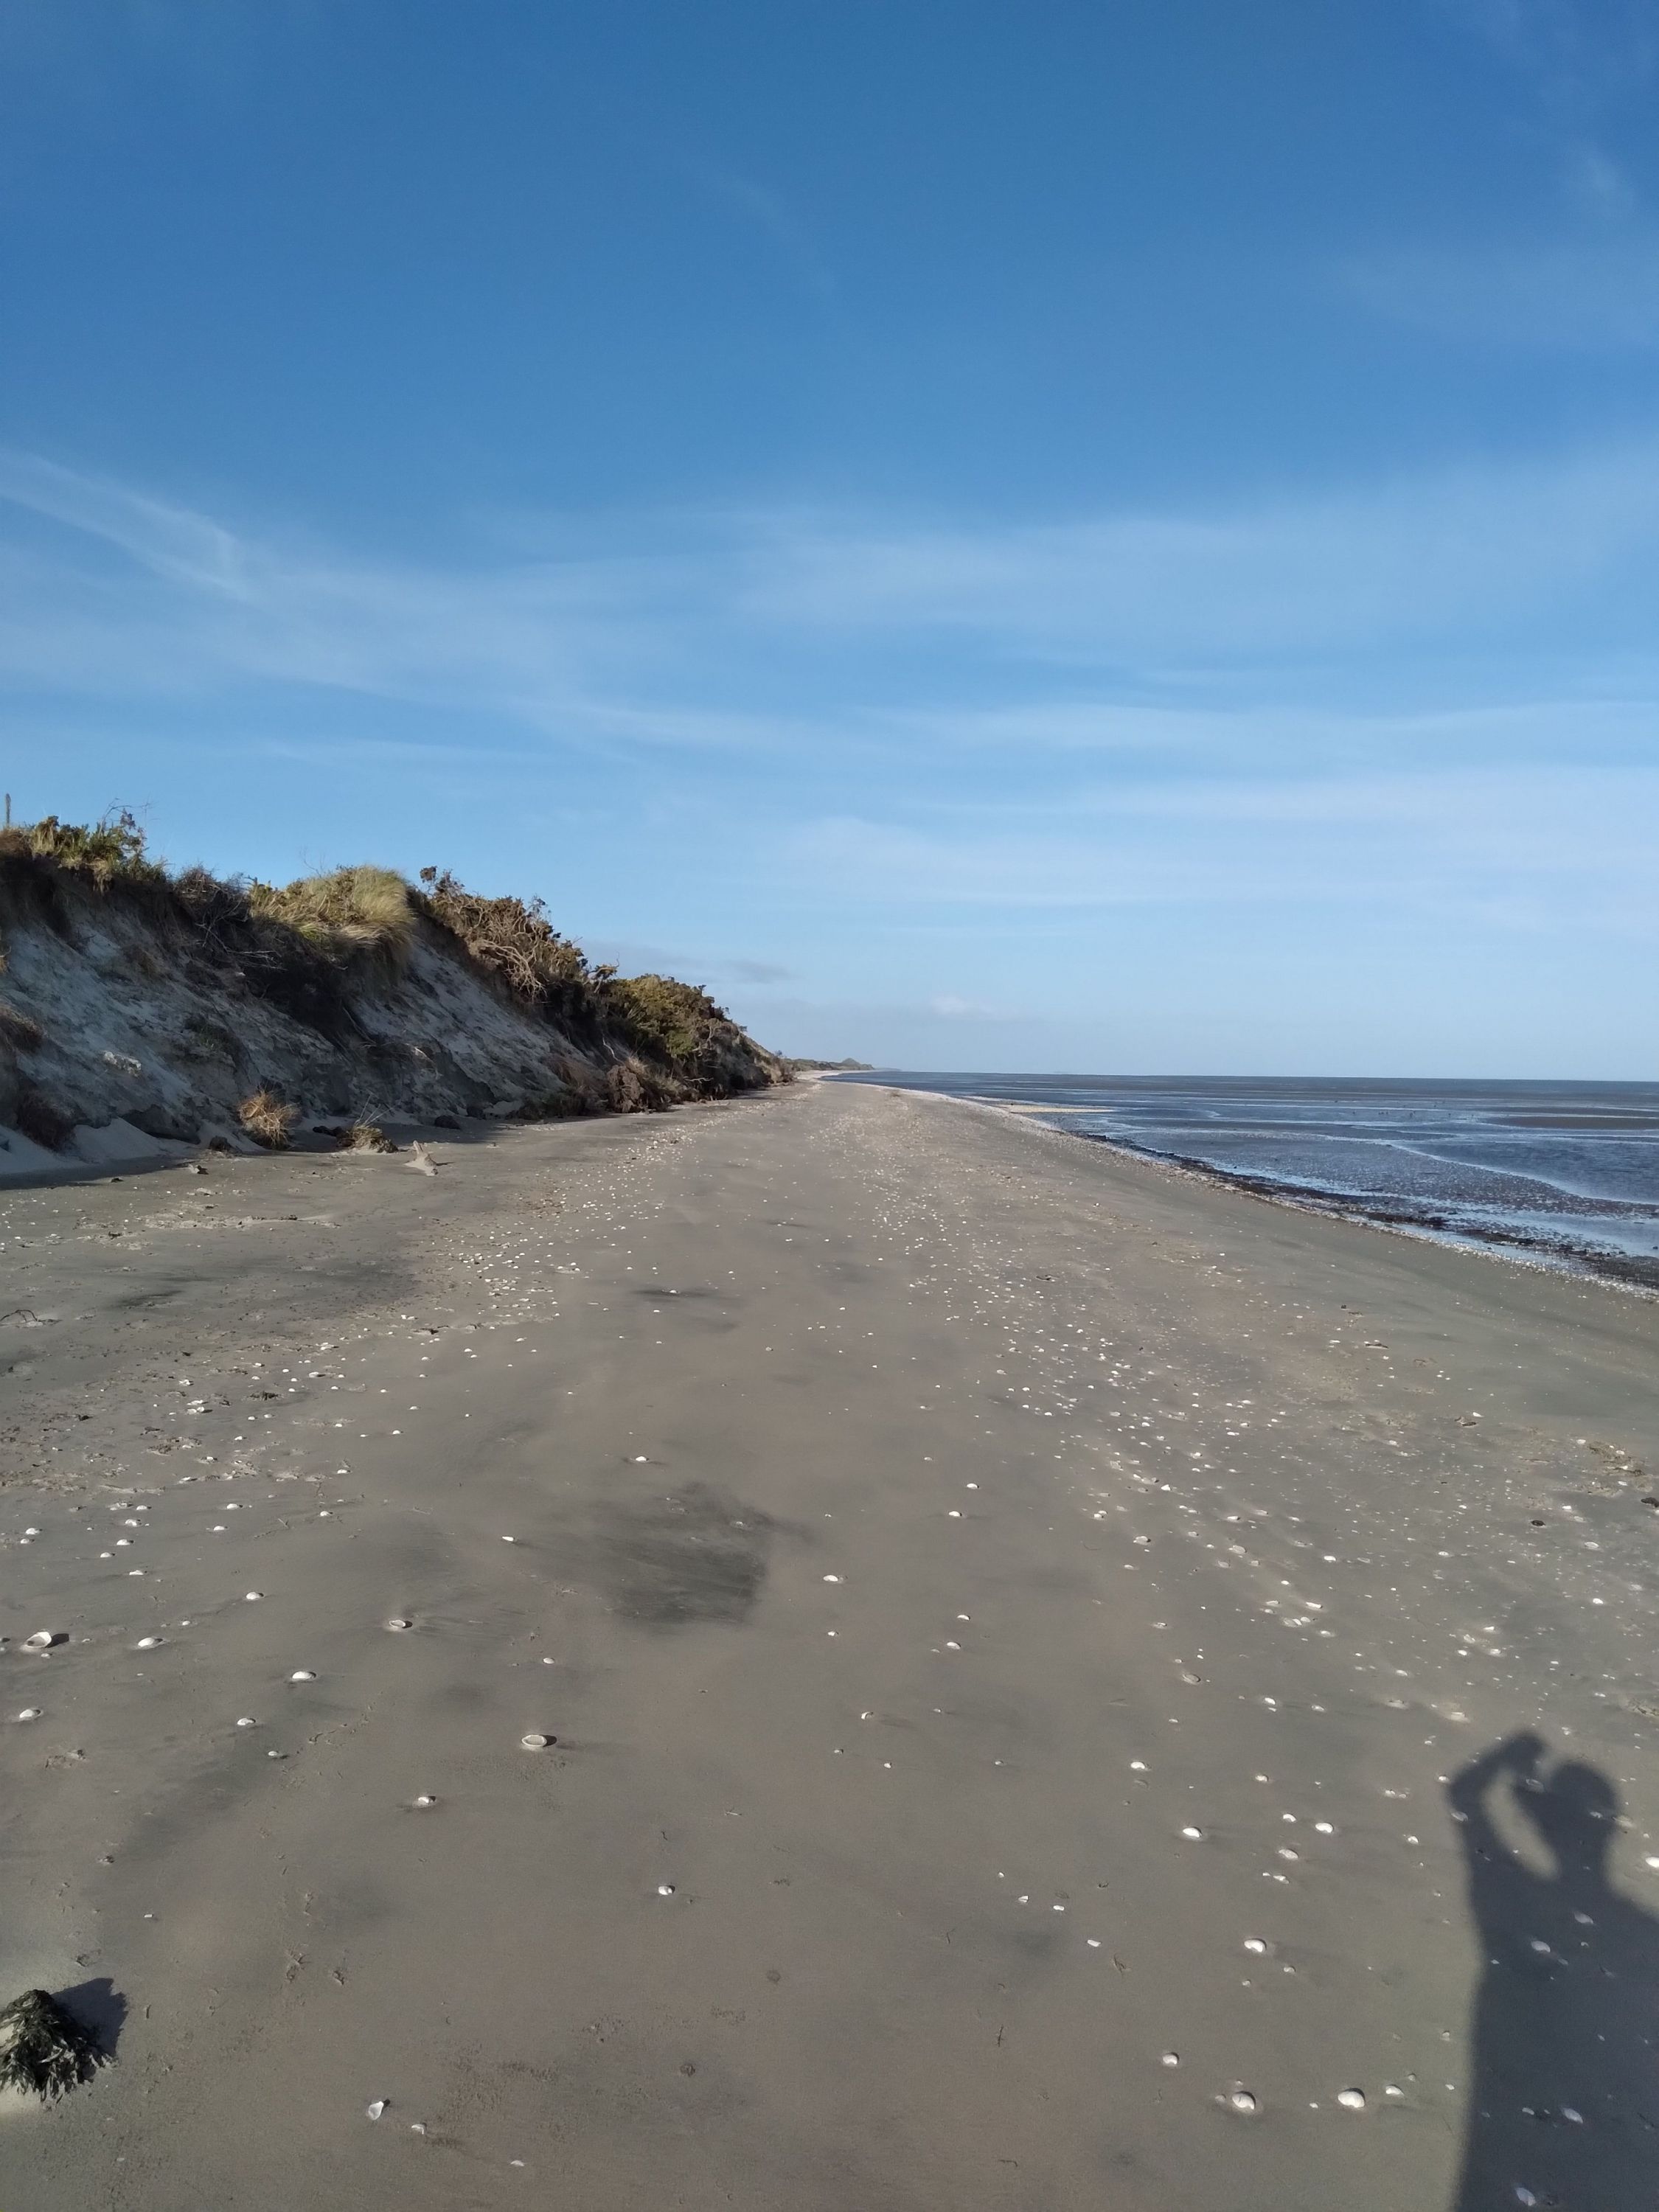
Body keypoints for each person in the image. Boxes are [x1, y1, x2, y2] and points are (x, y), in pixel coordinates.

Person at [1449, 1732, 1659, 2210]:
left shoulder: (1510, 1894)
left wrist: (1513, 1758)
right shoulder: (1646, 1934)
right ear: (1609, 1828)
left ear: (1540, 1823)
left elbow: (1463, 1796)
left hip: (1504, 2112)